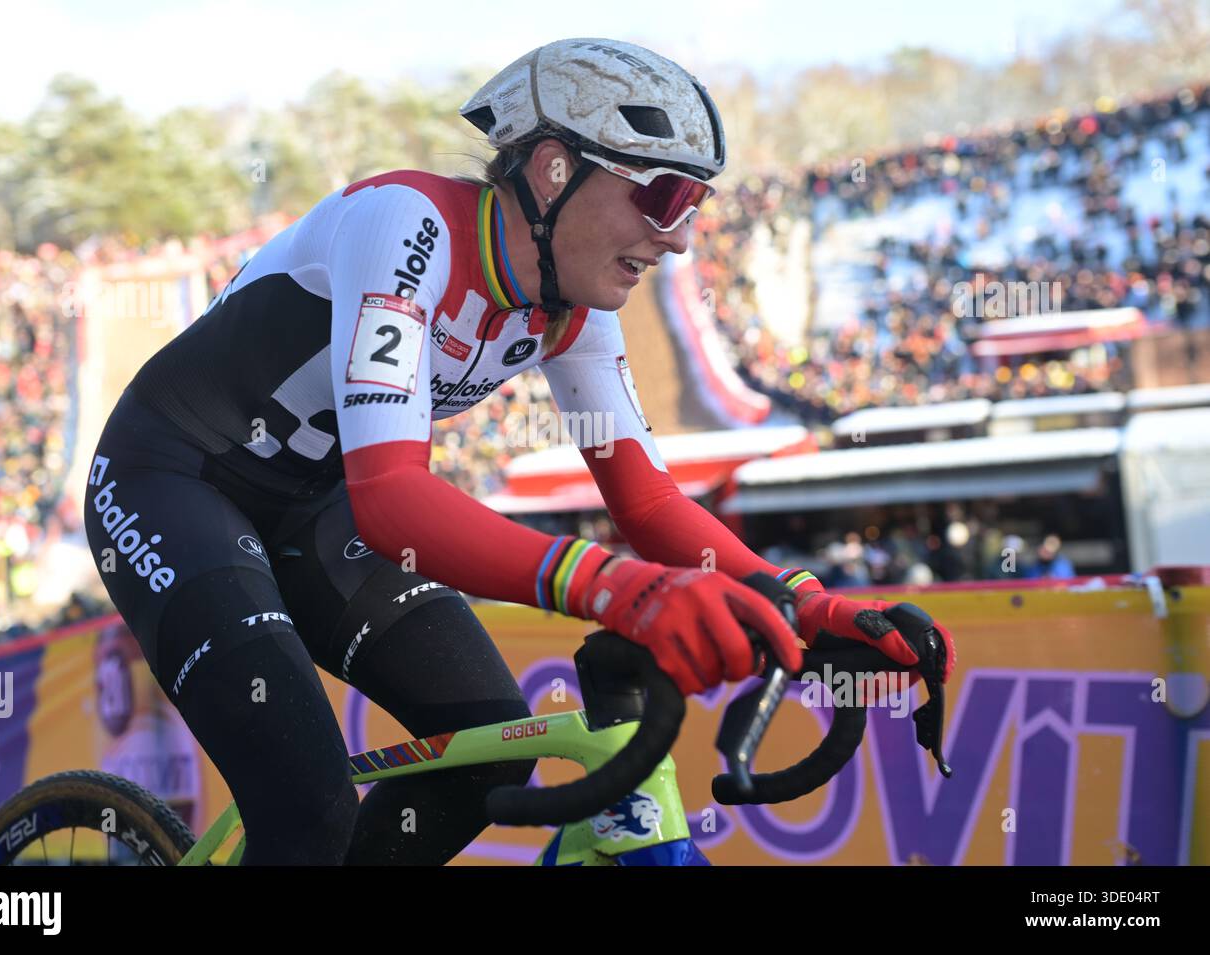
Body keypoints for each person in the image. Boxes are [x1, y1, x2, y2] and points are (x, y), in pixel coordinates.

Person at [83, 37, 955, 865]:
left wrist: (802, 602)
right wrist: (617, 587)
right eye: (661, 196)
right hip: (174, 478)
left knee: (485, 751)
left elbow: (646, 503)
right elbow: (391, 497)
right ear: (553, 168)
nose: (681, 235)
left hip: (312, 504)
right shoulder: (408, 224)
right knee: (308, 804)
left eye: (697, 203)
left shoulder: (576, 312)